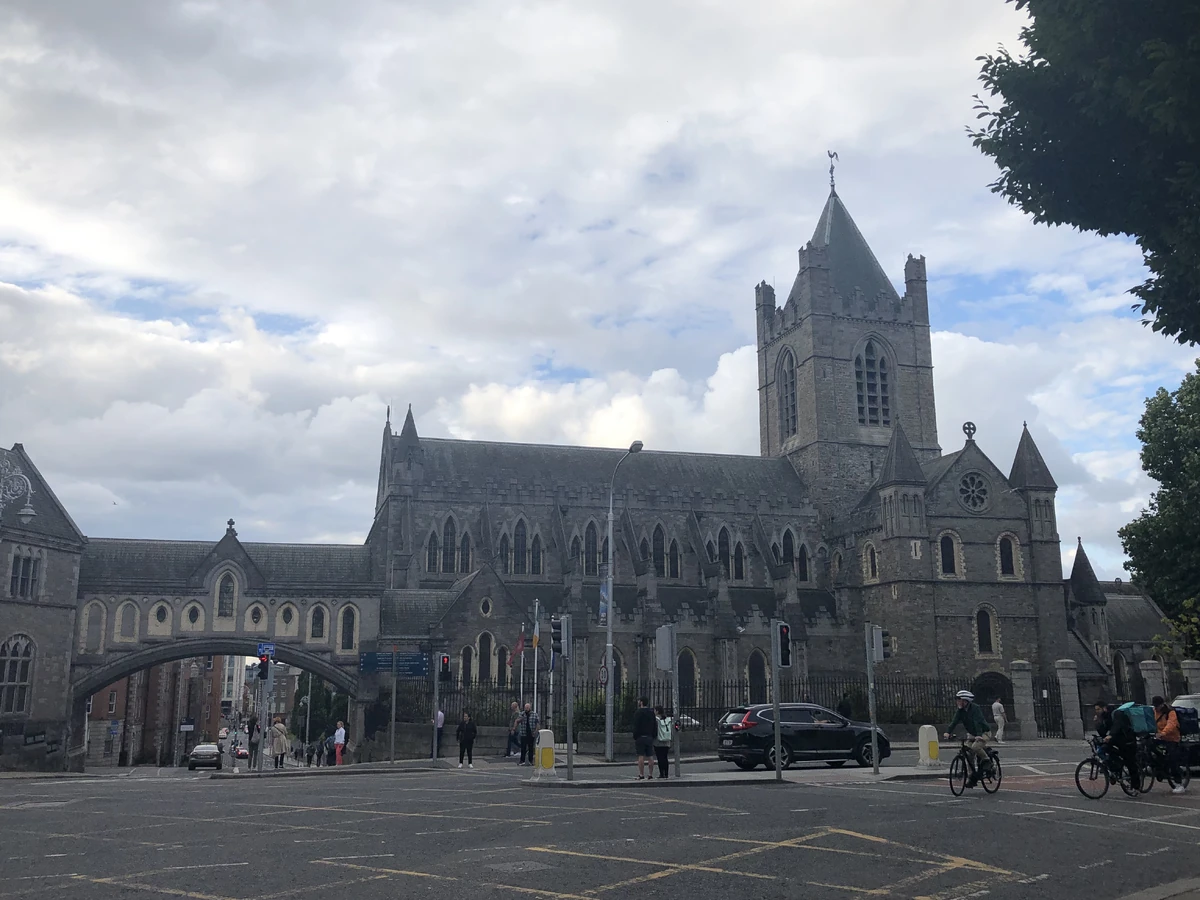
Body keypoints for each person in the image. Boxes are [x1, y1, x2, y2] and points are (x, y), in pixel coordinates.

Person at [943, 690, 992, 788]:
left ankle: (987, 760)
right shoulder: (960, 711)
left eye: (958, 700)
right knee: (968, 753)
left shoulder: (975, 708)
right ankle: (972, 777)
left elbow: (977, 722)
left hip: (984, 732)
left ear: (965, 701)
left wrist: (978, 735)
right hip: (972, 734)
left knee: (975, 747)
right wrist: (948, 732)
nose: (957, 702)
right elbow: (954, 721)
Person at [1152, 695, 1187, 794]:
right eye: (1155, 706)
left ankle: (1179, 783)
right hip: (1160, 737)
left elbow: (1171, 724)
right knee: (1151, 747)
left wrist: (1163, 733)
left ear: (1162, 704)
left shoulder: (1170, 712)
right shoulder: (1154, 711)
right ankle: (1160, 768)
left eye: (1157, 706)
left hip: (1172, 738)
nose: (1156, 708)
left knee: (1173, 759)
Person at [1104, 704, 1140, 791]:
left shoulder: (1117, 714)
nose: (1097, 712)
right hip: (1119, 740)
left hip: (1128, 741)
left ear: (1104, 708)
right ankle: (1117, 766)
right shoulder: (1107, 716)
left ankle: (1136, 786)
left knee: (1131, 763)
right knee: (1105, 748)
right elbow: (1106, 729)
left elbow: (1117, 725)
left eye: (1098, 709)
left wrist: (1110, 735)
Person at [631, 697, 657, 781]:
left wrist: (635, 736)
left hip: (640, 737)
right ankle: (650, 774)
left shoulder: (638, 712)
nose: (638, 702)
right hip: (649, 736)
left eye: (639, 701)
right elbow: (654, 724)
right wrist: (653, 735)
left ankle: (641, 774)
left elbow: (636, 725)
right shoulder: (651, 712)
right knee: (650, 756)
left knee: (641, 756)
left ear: (641, 702)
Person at [653, 706, 675, 779]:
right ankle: (666, 773)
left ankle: (661, 774)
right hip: (667, 740)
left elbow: (654, 730)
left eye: (655, 710)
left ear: (657, 711)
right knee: (665, 757)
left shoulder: (656, 720)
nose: (654, 712)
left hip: (658, 741)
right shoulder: (668, 719)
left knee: (660, 758)